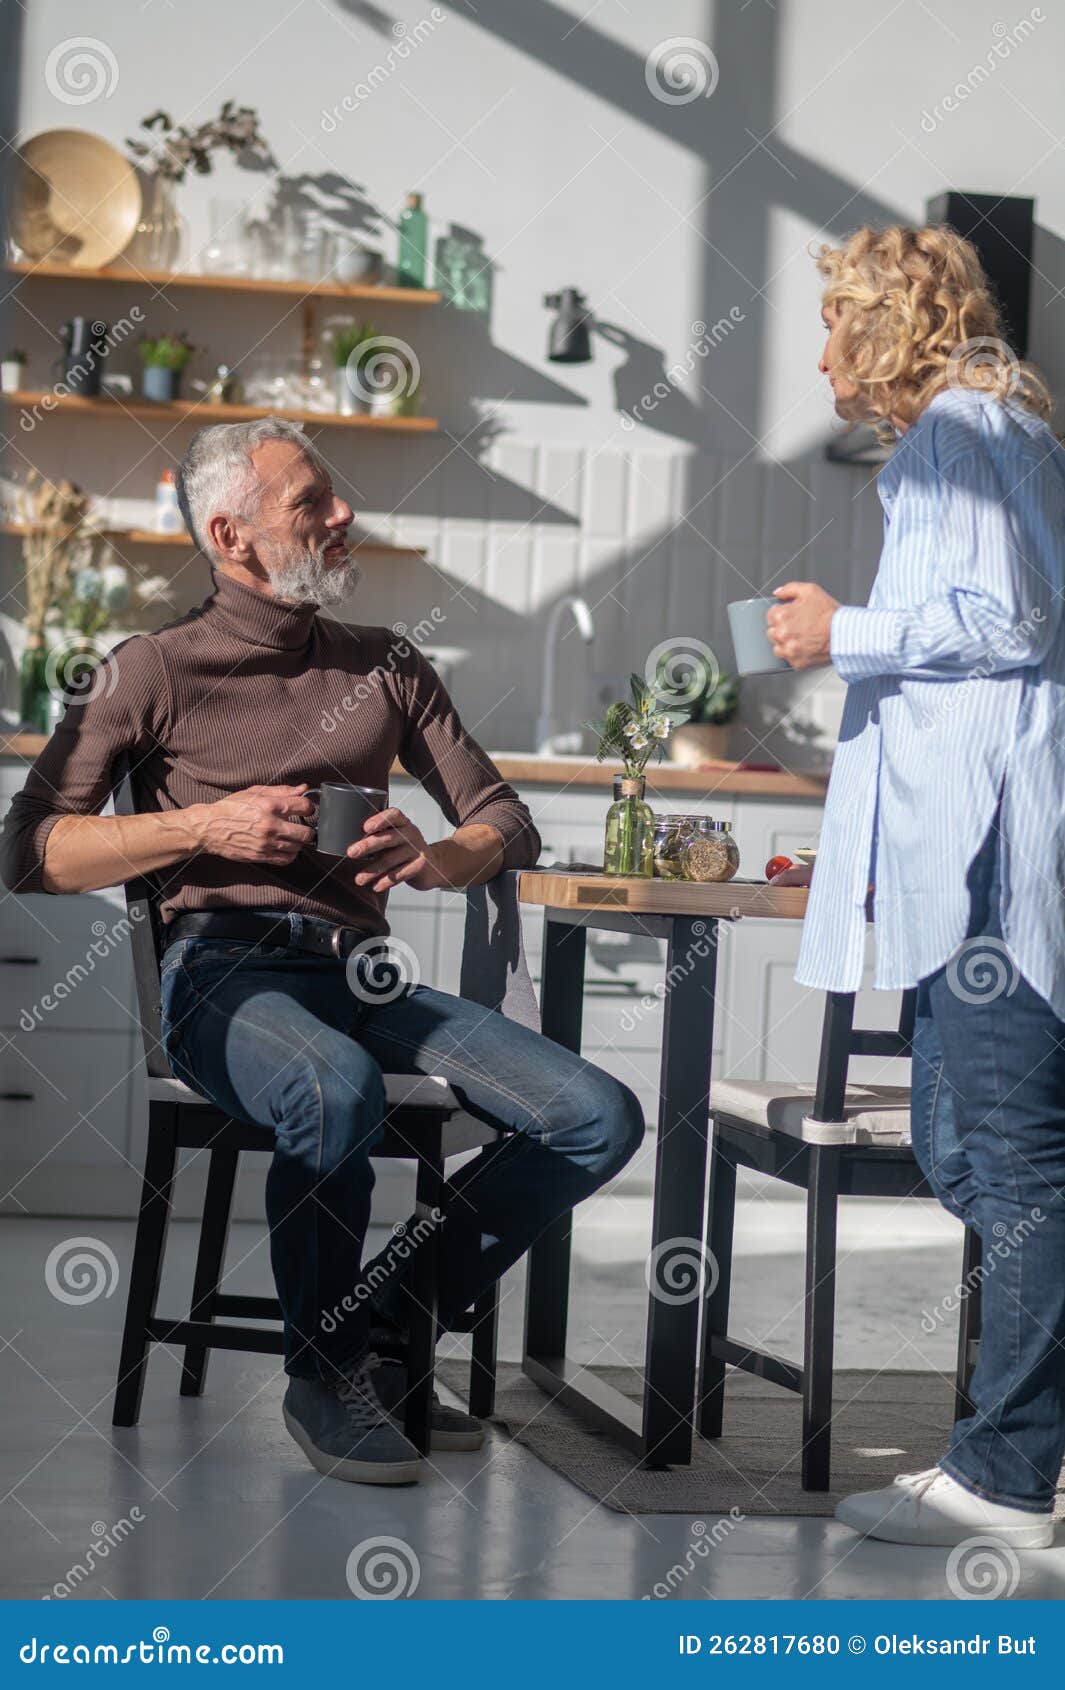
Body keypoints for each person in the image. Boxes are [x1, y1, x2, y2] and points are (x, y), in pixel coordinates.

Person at [0, 417, 644, 1487]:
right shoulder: (148, 669)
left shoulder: (385, 663)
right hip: (222, 975)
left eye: (332, 495)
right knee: (334, 1086)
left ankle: (390, 1320)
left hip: (364, 975)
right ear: (232, 535)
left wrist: (436, 856)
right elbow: (30, 851)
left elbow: (505, 821)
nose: (342, 513)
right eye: (311, 501)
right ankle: (323, 1372)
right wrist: (202, 829)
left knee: (596, 1114)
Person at [766, 225, 1065, 1549]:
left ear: (890, 325)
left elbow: (1013, 624)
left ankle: (1004, 1478)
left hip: (991, 856)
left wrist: (848, 631)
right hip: (976, 859)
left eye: (837, 320)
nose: (821, 349)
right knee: (970, 1149)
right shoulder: (981, 433)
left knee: (1009, 1170)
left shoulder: (961, 430)